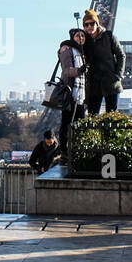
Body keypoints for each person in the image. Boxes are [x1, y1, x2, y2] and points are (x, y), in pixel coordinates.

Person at [81, 8, 126, 116]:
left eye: (91, 24)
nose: (89, 27)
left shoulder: (109, 36)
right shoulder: (84, 40)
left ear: (97, 23)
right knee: (92, 116)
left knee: (111, 117)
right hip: (94, 84)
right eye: (86, 25)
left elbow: (121, 55)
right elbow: (72, 45)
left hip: (110, 82)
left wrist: (117, 75)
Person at [57, 28, 88, 162]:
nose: (81, 38)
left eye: (83, 35)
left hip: (80, 95)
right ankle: (64, 152)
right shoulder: (67, 50)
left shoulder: (82, 53)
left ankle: (75, 150)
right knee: (67, 123)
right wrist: (80, 70)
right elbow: (66, 71)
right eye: (77, 36)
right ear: (72, 37)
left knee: (78, 124)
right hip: (70, 93)